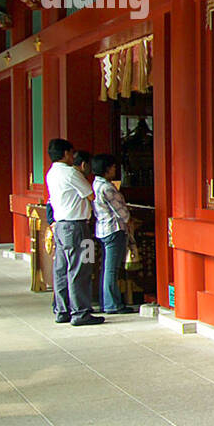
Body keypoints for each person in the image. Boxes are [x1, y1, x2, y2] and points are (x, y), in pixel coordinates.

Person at [46, 138, 102, 326]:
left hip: (61, 225)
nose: (73, 157)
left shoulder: (51, 173)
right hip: (77, 226)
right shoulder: (71, 173)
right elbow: (91, 195)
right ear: (65, 154)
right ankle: (81, 312)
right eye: (71, 153)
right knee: (81, 267)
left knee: (61, 269)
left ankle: (62, 310)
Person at [91, 153, 136, 315]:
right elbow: (122, 212)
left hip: (103, 228)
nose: (115, 169)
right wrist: (130, 219)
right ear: (107, 169)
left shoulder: (95, 185)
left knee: (107, 268)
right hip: (113, 229)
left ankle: (107, 301)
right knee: (112, 269)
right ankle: (112, 304)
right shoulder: (107, 188)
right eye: (113, 167)